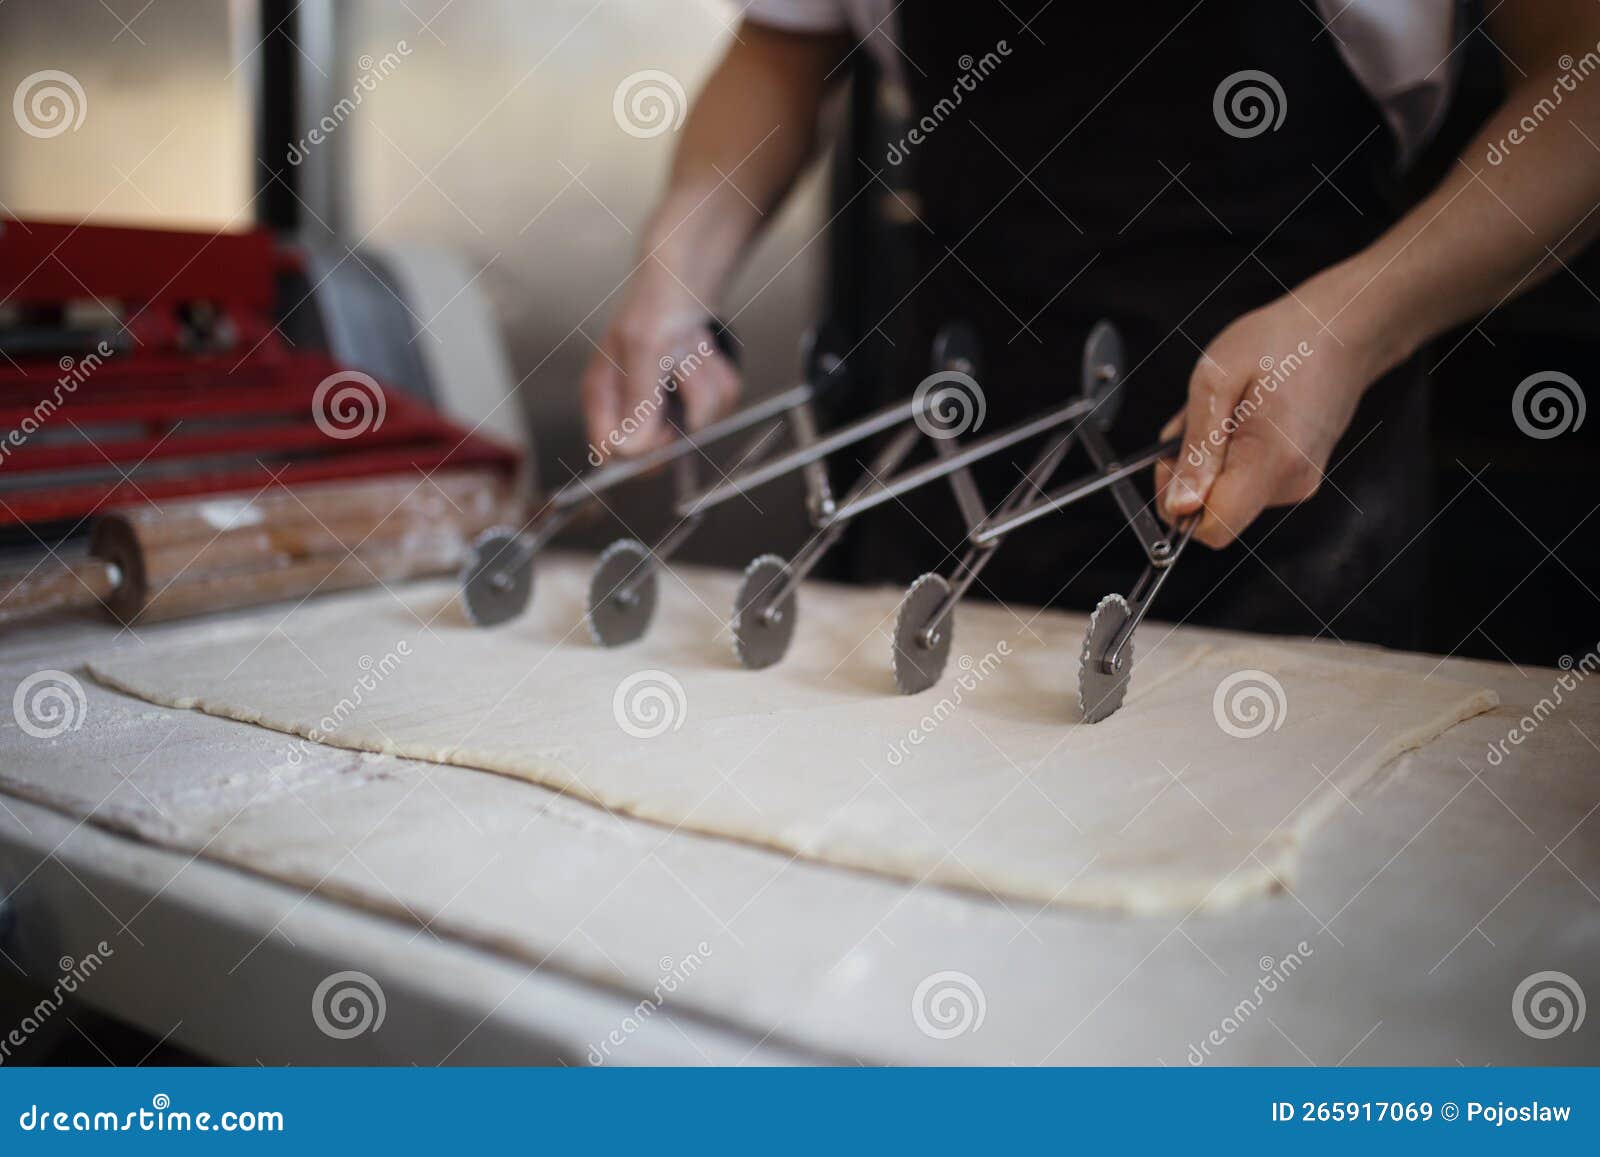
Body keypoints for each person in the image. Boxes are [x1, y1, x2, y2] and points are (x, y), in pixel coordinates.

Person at [581, 1, 1600, 648]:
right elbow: (781, 44)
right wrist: (676, 273)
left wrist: (1355, 324)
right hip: (946, 445)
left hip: (1293, 483)